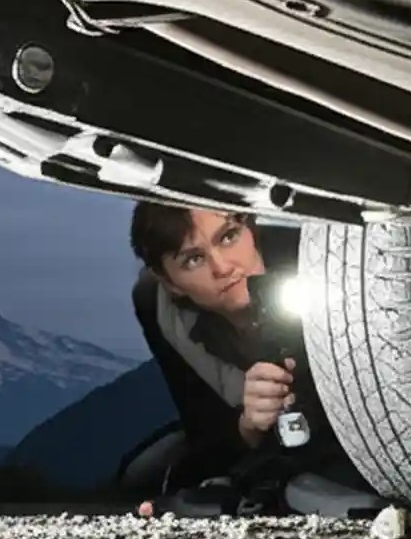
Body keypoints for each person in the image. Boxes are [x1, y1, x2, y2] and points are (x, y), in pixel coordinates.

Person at [128, 200, 376, 517]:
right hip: (252, 437)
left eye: (228, 237)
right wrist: (249, 425)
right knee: (146, 472)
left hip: (355, 428)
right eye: (194, 260)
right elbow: (201, 426)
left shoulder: (321, 263)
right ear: (170, 282)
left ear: (251, 228)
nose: (222, 267)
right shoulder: (161, 310)